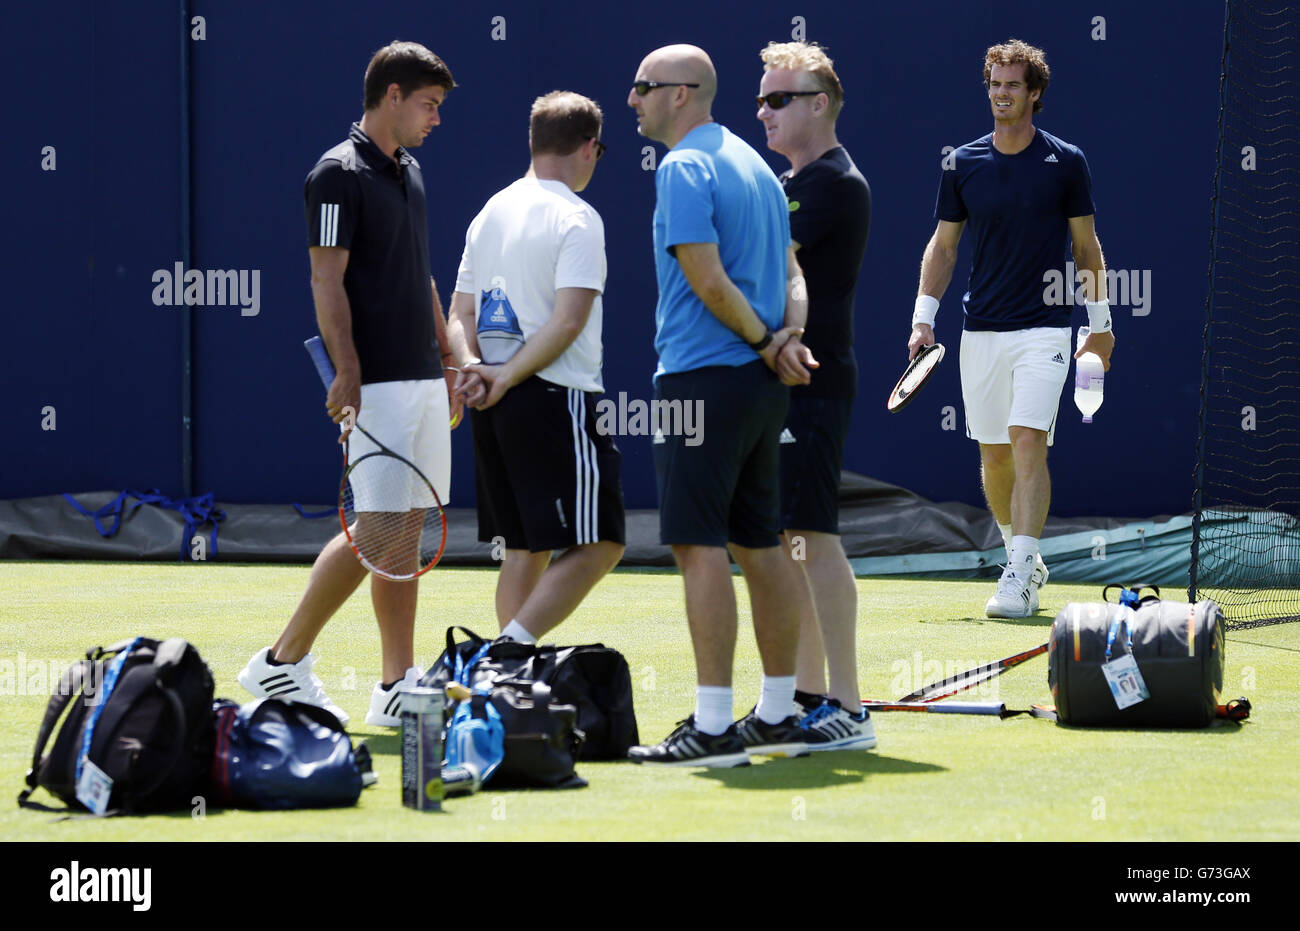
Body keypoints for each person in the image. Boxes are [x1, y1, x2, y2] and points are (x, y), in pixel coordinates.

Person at [239, 41, 459, 726]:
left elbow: (420, 272)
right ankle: (280, 662)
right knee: (379, 528)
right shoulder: (335, 174)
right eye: (428, 104)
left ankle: (395, 681)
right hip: (377, 382)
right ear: (392, 95)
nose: (436, 119)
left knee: (404, 530)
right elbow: (325, 277)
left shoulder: (411, 171)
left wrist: (451, 358)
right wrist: (349, 369)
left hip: (422, 376)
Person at [623, 44, 816, 768]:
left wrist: (772, 340)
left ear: (679, 94)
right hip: (758, 391)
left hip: (701, 383)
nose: (632, 98)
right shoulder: (758, 169)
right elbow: (795, 275)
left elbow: (705, 280)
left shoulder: (683, 166)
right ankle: (774, 713)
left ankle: (711, 729)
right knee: (758, 547)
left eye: (643, 87)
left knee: (698, 547)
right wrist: (785, 338)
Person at [908, 39, 1115, 619]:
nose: (1001, 94)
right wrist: (924, 318)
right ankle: (1017, 554)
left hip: (1046, 329)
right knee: (994, 454)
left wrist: (1099, 326)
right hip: (981, 331)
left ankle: (1020, 573)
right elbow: (943, 248)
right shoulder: (962, 163)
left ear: (1035, 94)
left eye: (1012, 85)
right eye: (994, 84)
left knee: (1028, 439)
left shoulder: (1066, 161)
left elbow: (1085, 246)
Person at [445, 91, 625, 643]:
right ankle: (508, 654)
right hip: (552, 397)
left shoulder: (490, 211)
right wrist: (500, 373)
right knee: (603, 541)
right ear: (591, 147)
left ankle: (507, 684)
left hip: (493, 398)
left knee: (524, 550)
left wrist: (476, 367)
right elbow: (569, 321)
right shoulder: (578, 217)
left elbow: (459, 314)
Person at [757, 41, 875, 750]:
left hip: (816, 383)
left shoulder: (834, 183)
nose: (763, 111)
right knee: (787, 538)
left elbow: (762, 266)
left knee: (812, 535)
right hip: (780, 386)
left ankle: (850, 705)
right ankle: (806, 695)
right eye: (761, 99)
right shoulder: (787, 181)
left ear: (819, 103)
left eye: (778, 99)